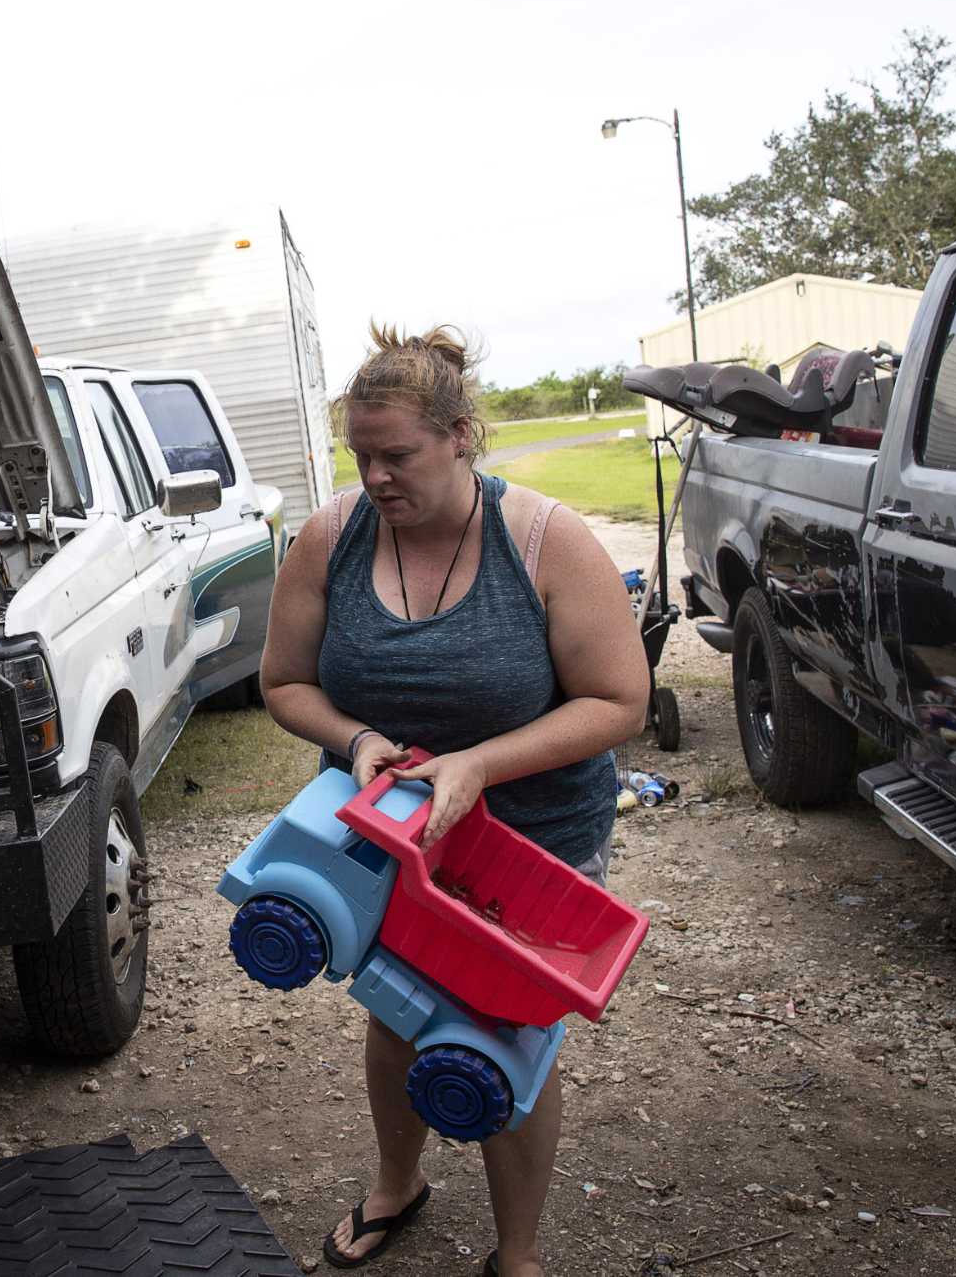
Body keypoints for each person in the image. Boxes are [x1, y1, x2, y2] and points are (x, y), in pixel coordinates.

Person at [259, 324, 647, 1275]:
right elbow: (283, 683)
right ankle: (400, 1185)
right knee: (395, 1015)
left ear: (463, 435)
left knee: (502, 1036)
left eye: (399, 455)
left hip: (532, 840)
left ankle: (517, 1255)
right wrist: (355, 741)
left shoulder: (546, 541)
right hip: (388, 836)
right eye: (363, 455)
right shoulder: (330, 537)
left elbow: (621, 701)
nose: (377, 477)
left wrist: (478, 765)